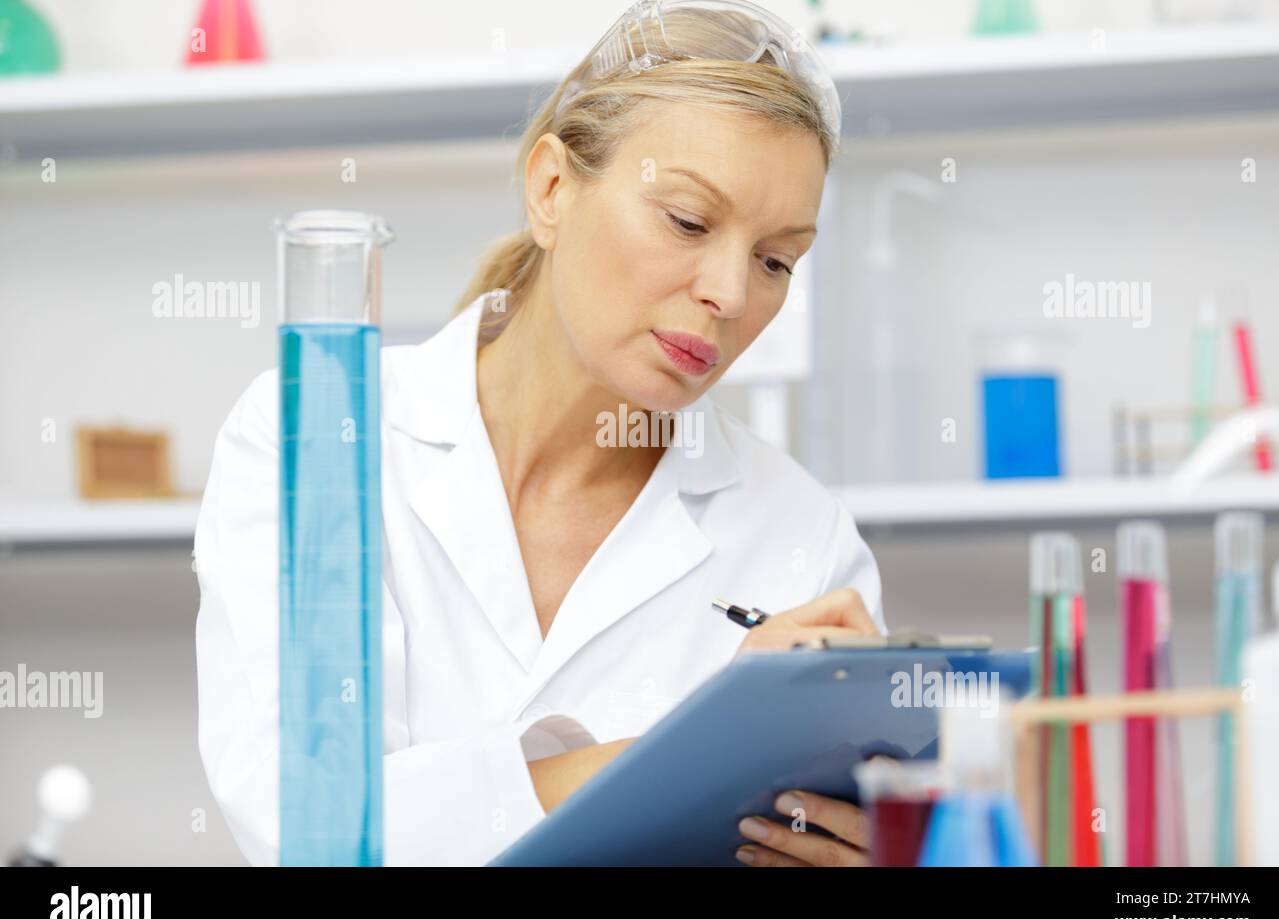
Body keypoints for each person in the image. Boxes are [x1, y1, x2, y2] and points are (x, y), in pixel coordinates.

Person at [195, 0, 886, 867]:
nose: (732, 294)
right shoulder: (315, 438)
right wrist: (708, 751)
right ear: (551, 189)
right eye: (687, 220)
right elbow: (314, 827)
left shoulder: (801, 537)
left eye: (776, 259)